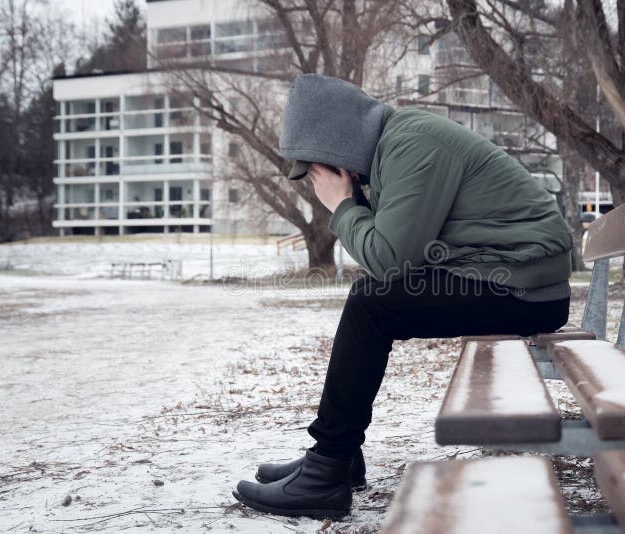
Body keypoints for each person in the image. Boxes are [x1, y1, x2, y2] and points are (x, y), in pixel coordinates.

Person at [232, 73, 572, 519]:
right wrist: (356, 202)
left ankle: (327, 471)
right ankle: (340, 458)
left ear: (339, 146)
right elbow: (396, 255)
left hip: (525, 287)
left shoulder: (412, 145)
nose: (321, 182)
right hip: (511, 275)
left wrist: (343, 205)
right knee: (372, 297)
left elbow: (389, 260)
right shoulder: (398, 145)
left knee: (372, 303)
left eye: (319, 169)